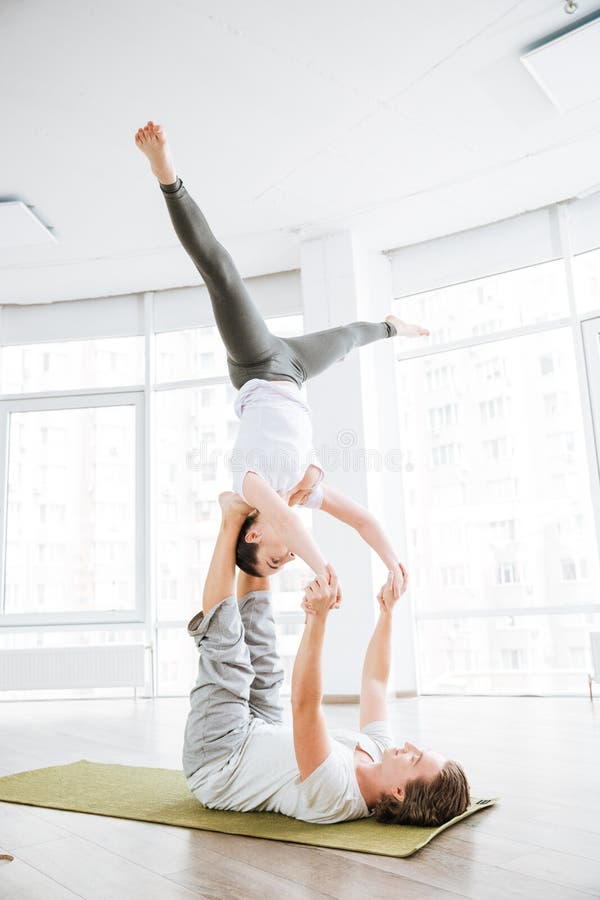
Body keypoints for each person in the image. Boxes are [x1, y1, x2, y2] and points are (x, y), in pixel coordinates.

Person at [135, 121, 427, 598]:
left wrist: (322, 568)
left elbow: (290, 525)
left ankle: (167, 177)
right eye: (287, 563)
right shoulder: (303, 491)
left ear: (253, 533)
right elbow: (363, 519)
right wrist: (392, 561)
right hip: (292, 370)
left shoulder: (250, 486)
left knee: (222, 274)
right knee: (351, 337)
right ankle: (393, 325)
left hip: (254, 364)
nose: (288, 557)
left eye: (275, 558)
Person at [182, 491, 470, 826]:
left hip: (220, 760)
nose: (408, 745)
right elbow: (375, 683)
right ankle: (261, 514)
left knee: (228, 657)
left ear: (399, 792)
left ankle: (232, 519)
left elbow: (305, 704)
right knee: (263, 650)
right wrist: (388, 612)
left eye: (415, 758)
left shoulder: (337, 794)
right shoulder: (379, 751)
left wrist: (317, 619)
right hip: (261, 728)